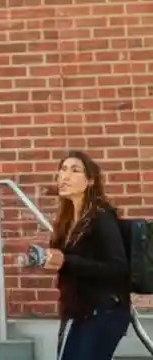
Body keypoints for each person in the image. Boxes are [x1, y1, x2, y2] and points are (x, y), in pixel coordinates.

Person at [45, 151, 130, 360]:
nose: (65, 176)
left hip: (104, 311)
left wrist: (67, 261)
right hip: (78, 312)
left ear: (90, 180)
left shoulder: (101, 217)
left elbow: (118, 269)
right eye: (63, 169)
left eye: (75, 171)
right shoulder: (66, 221)